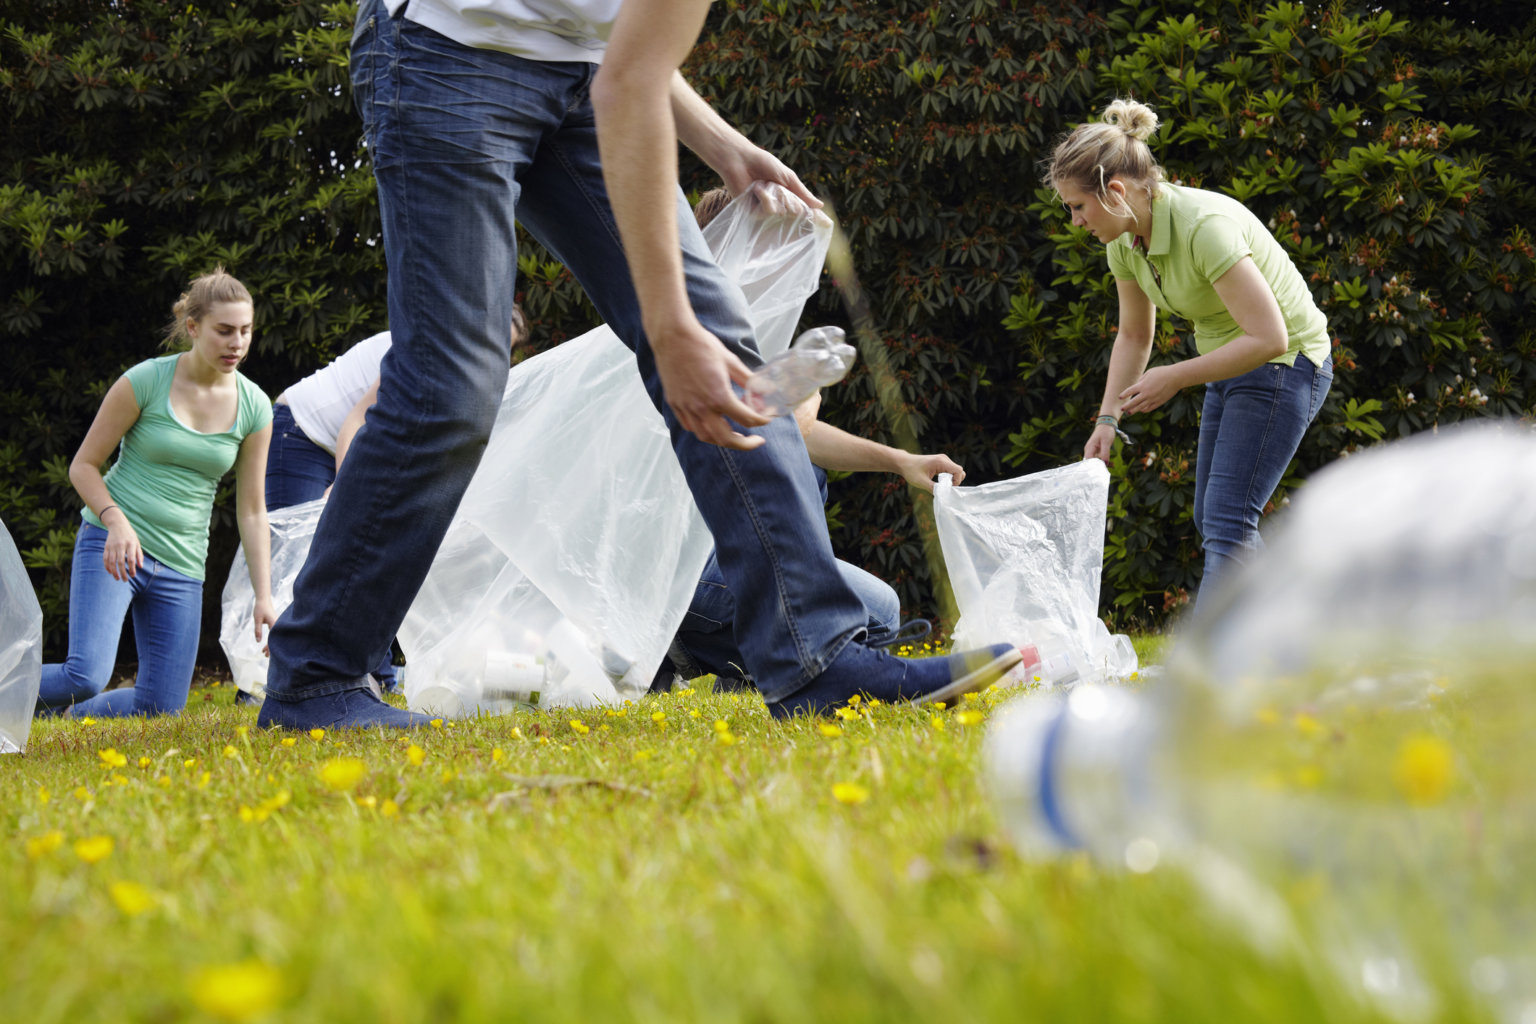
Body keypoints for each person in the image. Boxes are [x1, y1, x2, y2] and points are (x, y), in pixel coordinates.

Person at [256, 0, 1020, 730]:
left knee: (727, 353)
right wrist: (667, 327)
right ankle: (317, 675)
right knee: (452, 388)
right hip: (444, 53)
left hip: (585, 75)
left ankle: (815, 659)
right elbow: (630, 86)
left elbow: (626, 48)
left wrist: (722, 146)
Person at [657, 187, 966, 690]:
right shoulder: (693, 335)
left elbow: (802, 435)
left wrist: (900, 460)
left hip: (708, 558)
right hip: (682, 570)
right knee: (879, 614)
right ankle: (692, 647)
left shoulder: (742, 326)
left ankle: (737, 662)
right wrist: (803, 392)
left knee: (872, 594)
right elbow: (765, 438)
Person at [1048, 99, 1333, 607]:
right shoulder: (1124, 239)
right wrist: (1106, 421)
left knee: (1227, 518)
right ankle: (1288, 633)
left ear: (1114, 192)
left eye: (1077, 206)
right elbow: (1134, 335)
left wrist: (1175, 376)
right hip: (1232, 362)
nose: (1074, 222)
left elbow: (1271, 338)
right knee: (1215, 517)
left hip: (1288, 363)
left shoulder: (1204, 226)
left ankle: (1213, 669)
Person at [36, 269, 274, 718]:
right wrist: (115, 520)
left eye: (245, 331)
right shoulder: (145, 381)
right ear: (193, 327)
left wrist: (264, 596)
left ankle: (66, 715)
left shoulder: (255, 406)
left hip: (182, 563)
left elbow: (253, 511)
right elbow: (83, 466)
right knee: (84, 675)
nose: (237, 343)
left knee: (162, 707)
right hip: (114, 546)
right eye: (224, 331)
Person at [255, 308, 528, 697]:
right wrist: (347, 486)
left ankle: (375, 676)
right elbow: (357, 420)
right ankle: (273, 679)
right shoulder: (422, 342)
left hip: (347, 440)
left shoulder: (468, 371)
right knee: (300, 558)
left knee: (373, 551)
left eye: (507, 347)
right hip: (301, 430)